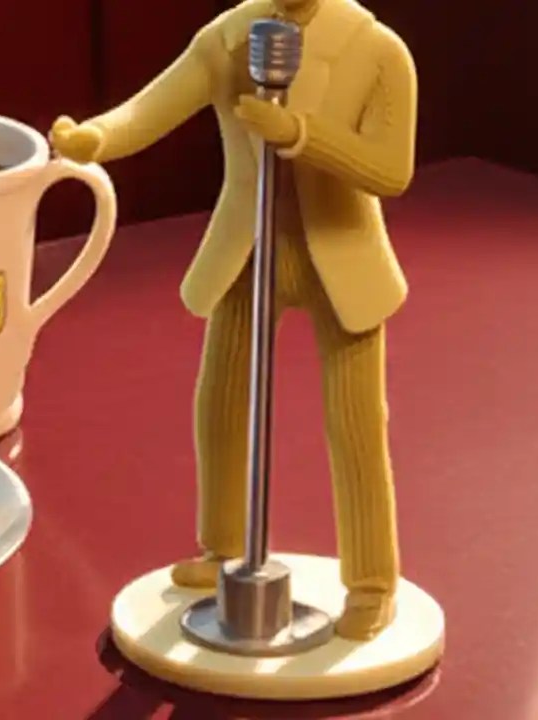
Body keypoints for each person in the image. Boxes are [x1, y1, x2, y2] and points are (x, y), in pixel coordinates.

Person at [50, 0, 416, 641]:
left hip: (343, 261)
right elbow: (155, 105)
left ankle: (372, 583)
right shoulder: (228, 37)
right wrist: (96, 138)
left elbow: (391, 170)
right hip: (249, 254)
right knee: (221, 405)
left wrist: (302, 136)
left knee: (355, 424)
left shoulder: (377, 50)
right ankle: (223, 549)